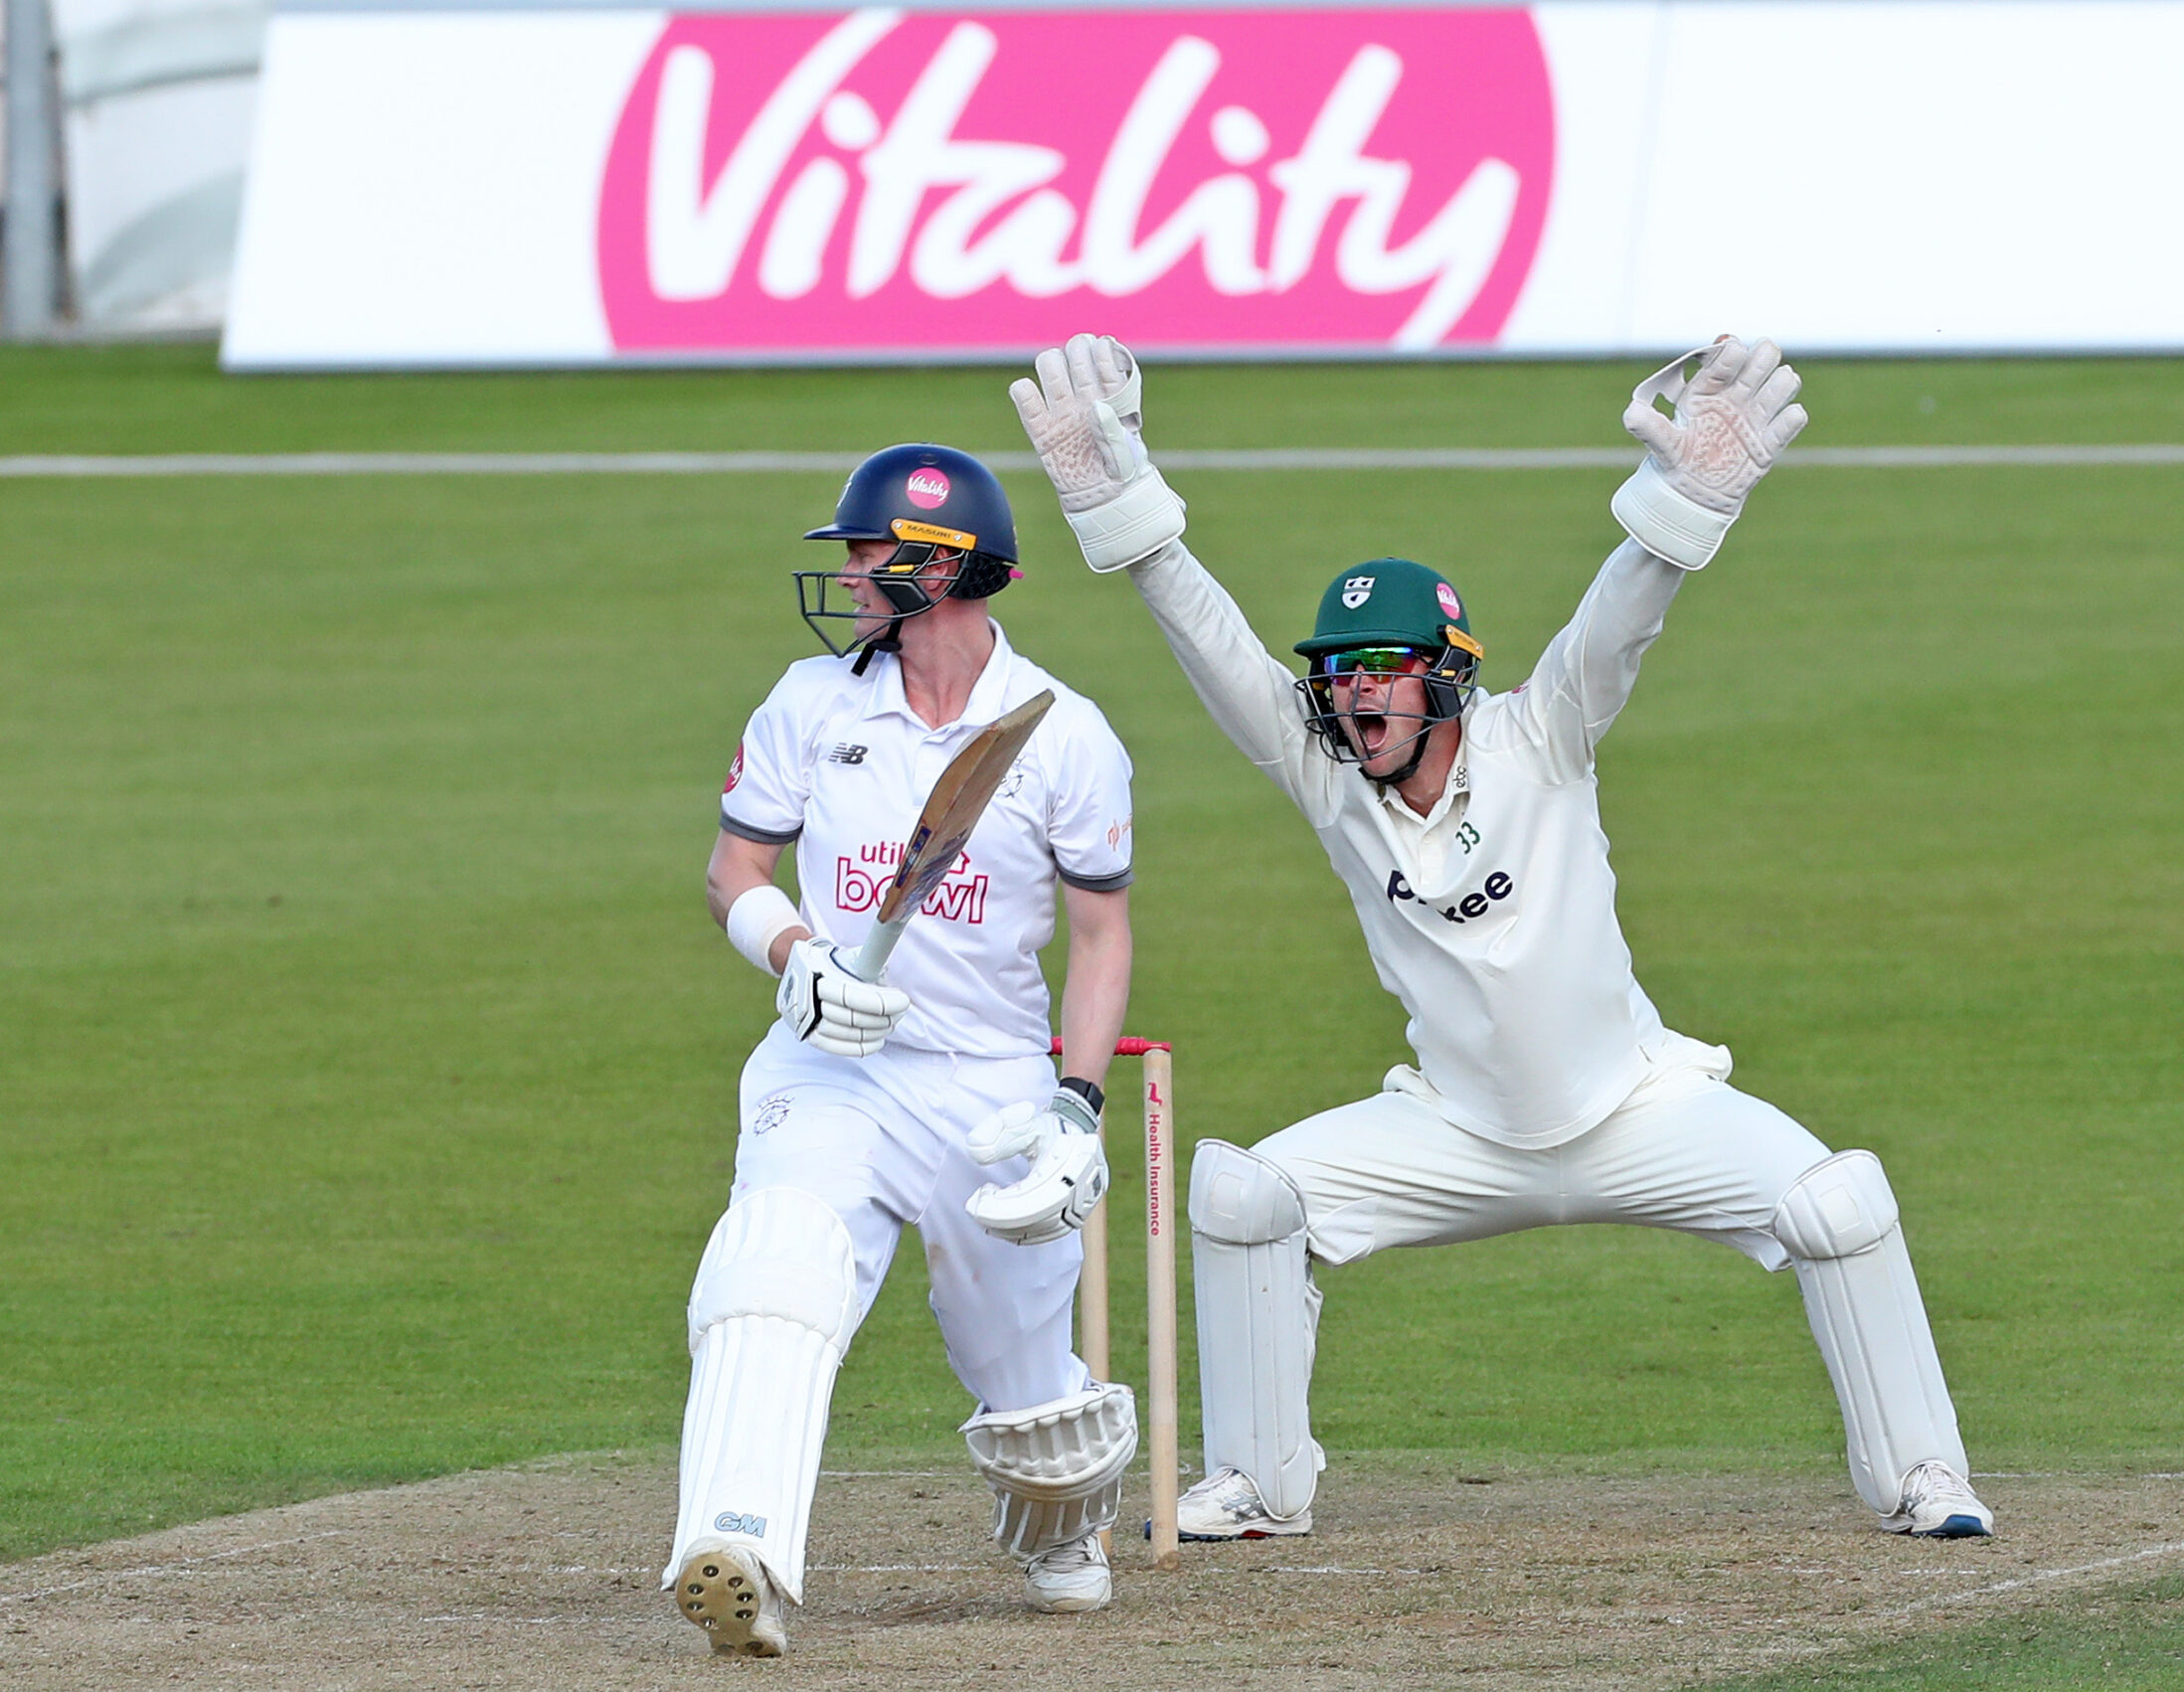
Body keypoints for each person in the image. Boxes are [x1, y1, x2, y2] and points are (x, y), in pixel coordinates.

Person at [1008, 336, 1993, 1547]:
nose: (1355, 697)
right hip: (1459, 1134)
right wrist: (1126, 514)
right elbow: (1214, 647)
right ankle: (1260, 1481)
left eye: (1383, 672)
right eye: (1340, 675)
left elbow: (1620, 620)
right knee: (1244, 1191)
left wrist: (1688, 499)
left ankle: (1923, 1476)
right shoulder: (1329, 783)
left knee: (1839, 1203)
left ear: (1448, 681)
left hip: (1643, 1115)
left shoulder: (1544, 735)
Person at [664, 443, 1140, 1655]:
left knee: (1029, 1386)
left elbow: (1099, 940)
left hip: (990, 1089)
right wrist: (798, 960)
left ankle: (1058, 1523)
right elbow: (735, 874)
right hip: (836, 1072)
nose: (854, 574)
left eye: (873, 553)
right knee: (773, 1261)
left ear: (946, 565)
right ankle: (738, 1548)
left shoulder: (1065, 735)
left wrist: (1076, 1109)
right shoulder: (811, 704)